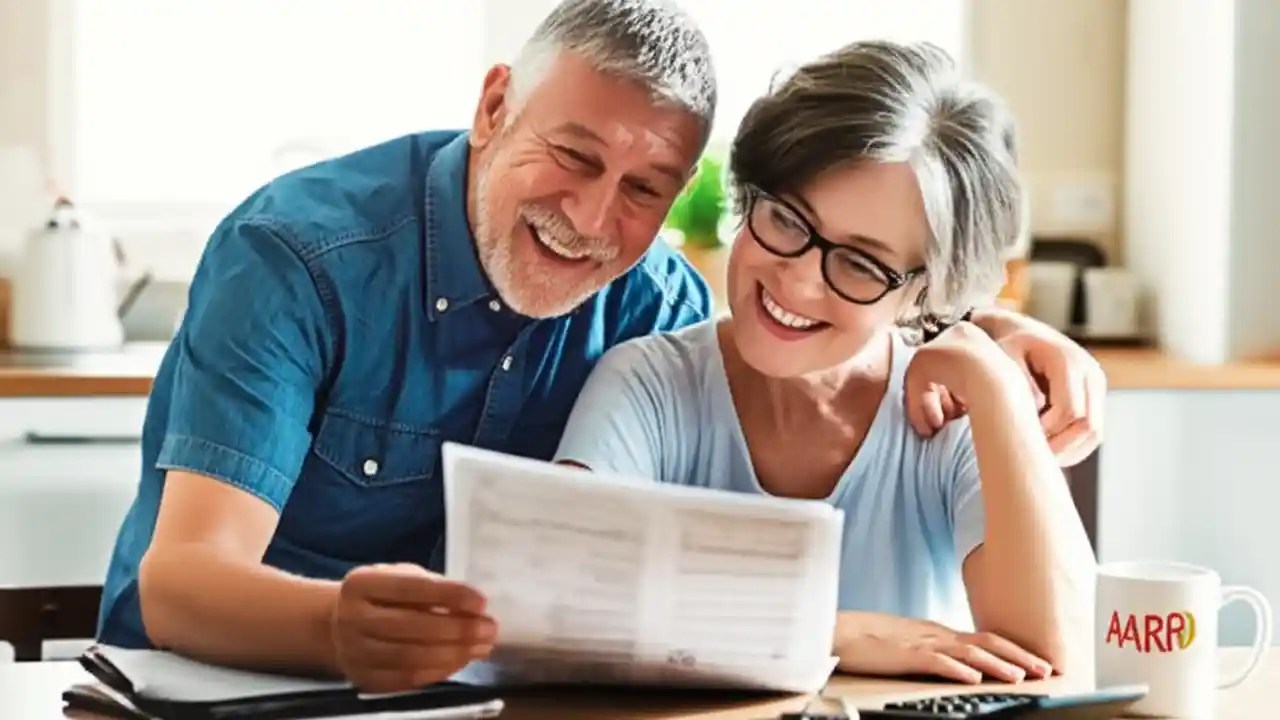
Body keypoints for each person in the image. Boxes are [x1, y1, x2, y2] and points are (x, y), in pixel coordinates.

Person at [97, 0, 1102, 694]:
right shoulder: (300, 257)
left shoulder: (649, 302)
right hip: (211, 689)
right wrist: (334, 629)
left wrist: (980, 334)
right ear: (494, 107)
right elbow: (179, 582)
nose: (588, 217)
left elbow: (814, 326)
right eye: (570, 156)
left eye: (640, 191)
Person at [554, 40, 1097, 685]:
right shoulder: (648, 384)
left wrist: (998, 389)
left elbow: (1055, 659)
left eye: (862, 264)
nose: (800, 284)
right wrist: (831, 632)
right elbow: (561, 598)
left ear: (922, 291)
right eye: (787, 219)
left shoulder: (956, 414)